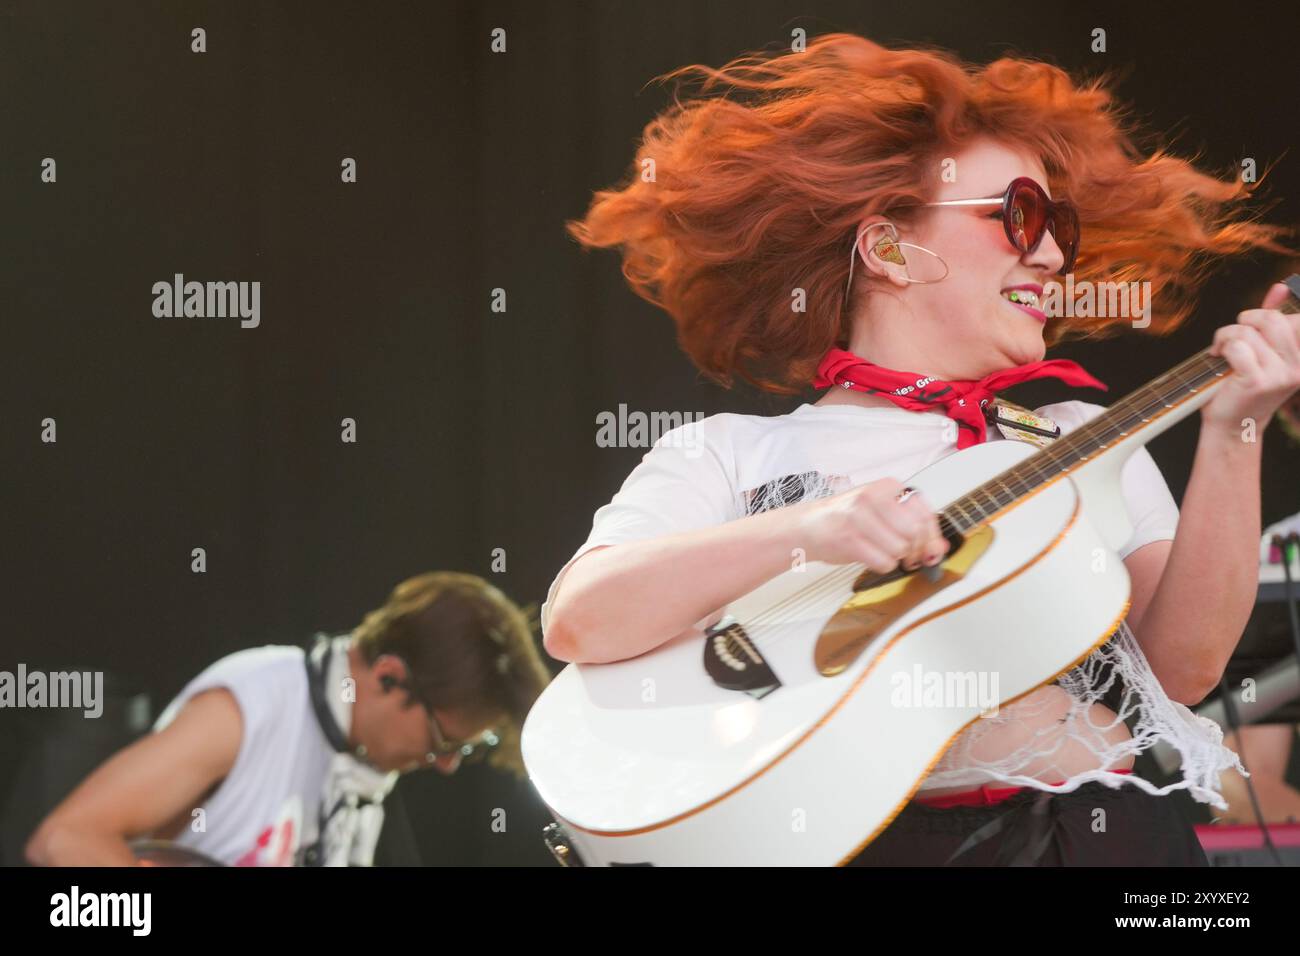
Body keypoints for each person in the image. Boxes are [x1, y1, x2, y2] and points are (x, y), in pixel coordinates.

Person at [541, 34, 1300, 865]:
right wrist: (814, 530)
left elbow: (1182, 669)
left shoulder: (1082, 440)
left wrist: (1236, 431)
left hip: (1097, 839)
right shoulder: (729, 454)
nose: (1049, 254)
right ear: (891, 249)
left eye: (1059, 229)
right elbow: (582, 618)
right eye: (1020, 214)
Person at [26, 571, 550, 866]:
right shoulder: (253, 704)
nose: (445, 766)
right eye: (443, 742)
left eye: (464, 750)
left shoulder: (361, 767)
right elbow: (62, 841)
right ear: (389, 677)